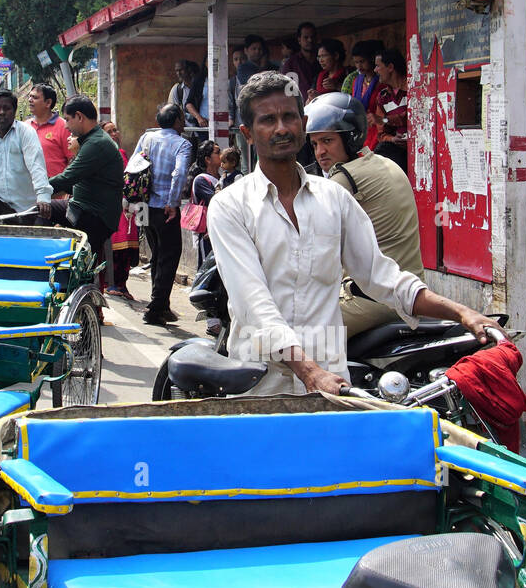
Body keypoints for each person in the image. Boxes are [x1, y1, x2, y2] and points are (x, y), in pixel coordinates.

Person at [208, 72, 499, 395]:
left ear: (302, 123)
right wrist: (309, 372)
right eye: (268, 120)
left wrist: (463, 312)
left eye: (289, 117)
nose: (281, 128)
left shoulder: (334, 199)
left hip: (331, 383)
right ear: (248, 134)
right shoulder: (230, 206)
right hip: (260, 384)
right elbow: (254, 303)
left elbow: (382, 276)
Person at [305, 92, 425, 339]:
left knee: (294, 341)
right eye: (315, 144)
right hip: (408, 286)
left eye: (328, 141)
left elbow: (311, 239)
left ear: (351, 137)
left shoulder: (344, 179)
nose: (320, 152)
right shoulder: (382, 161)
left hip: (377, 296)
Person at [48, 95, 124, 293]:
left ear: (79, 116)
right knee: (44, 212)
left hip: (93, 215)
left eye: (68, 119)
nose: (66, 126)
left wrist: (37, 190)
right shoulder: (90, 140)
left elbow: (67, 178)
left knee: (43, 211)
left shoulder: (96, 143)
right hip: (83, 208)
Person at [130, 103, 192, 326]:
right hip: (165, 209)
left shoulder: (147, 138)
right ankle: (155, 309)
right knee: (169, 256)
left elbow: (134, 166)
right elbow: (180, 173)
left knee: (157, 254)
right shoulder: (182, 144)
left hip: (145, 207)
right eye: (183, 118)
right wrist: (173, 202)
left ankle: (162, 305)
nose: (184, 122)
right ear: (176, 120)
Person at [0, 91, 52, 224]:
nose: (1, 112)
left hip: (28, 208)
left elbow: (36, 166)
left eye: (7, 108)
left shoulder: (25, 132)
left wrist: (43, 198)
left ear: (14, 111)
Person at [100, 120, 139, 300]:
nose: (115, 133)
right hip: (112, 205)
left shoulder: (122, 153)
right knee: (114, 246)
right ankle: (110, 283)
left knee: (128, 247)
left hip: (127, 206)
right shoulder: (101, 154)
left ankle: (122, 284)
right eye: (110, 131)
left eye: (116, 130)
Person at [372, 48, 408, 171]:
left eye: (377, 66)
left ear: (390, 67)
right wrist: (393, 139)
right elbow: (381, 134)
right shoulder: (383, 97)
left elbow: (411, 116)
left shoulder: (414, 87)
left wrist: (385, 119)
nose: (375, 70)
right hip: (399, 152)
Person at [27, 84, 72, 177]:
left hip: (57, 189)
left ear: (48, 102)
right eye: (30, 96)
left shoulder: (64, 127)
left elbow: (72, 159)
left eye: (35, 97)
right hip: (29, 188)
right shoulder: (25, 127)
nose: (30, 100)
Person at [187, 140, 222, 262]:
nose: (221, 155)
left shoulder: (222, 177)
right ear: (208, 159)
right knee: (206, 272)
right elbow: (218, 202)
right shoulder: (201, 180)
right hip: (207, 234)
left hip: (222, 231)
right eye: (218, 152)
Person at [343, 40, 382, 149]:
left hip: (376, 129)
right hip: (361, 130)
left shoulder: (381, 81)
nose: (359, 66)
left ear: (372, 59)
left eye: (362, 61)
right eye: (356, 62)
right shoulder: (356, 81)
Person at [280, 22, 320, 99]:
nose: (310, 40)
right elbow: (288, 92)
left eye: (312, 37)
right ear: (299, 40)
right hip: (302, 108)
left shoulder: (324, 60)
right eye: (306, 37)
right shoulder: (291, 64)